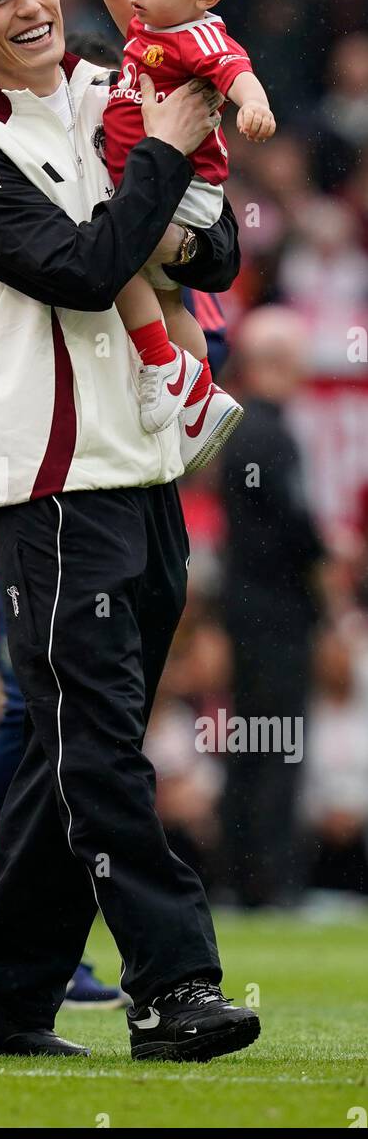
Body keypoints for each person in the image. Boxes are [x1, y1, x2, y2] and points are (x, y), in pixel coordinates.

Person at [0, 0, 260, 1062]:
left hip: (148, 464)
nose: (31, 8)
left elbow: (214, 255)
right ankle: (174, 984)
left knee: (75, 737)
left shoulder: (124, 80)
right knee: (100, 742)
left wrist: (174, 203)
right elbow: (80, 268)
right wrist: (159, 167)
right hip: (54, 484)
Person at [91, 0, 276, 465]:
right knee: (171, 301)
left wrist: (255, 106)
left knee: (113, 261)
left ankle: (165, 368)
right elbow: (137, 36)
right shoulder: (160, 30)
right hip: (152, 184)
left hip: (182, 190)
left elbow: (236, 70)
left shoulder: (201, 38)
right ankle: (202, 398)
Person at [219, 306, 325, 909]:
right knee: (277, 745)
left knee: (253, 743)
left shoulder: (242, 428)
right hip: (276, 616)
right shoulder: (269, 432)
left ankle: (242, 874)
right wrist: (329, 554)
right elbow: (295, 526)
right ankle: (271, 882)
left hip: (250, 611)